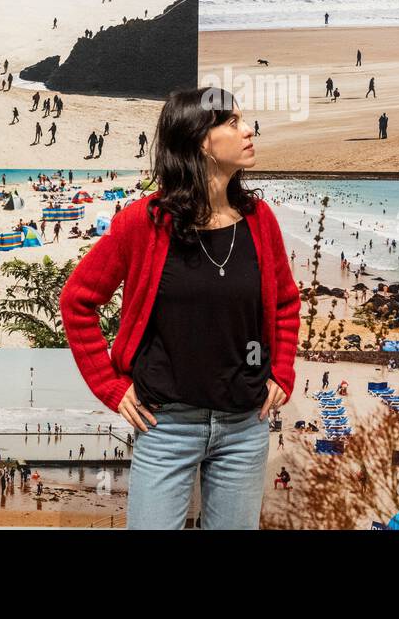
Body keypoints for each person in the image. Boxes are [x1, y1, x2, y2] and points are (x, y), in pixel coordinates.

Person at [60, 88, 298, 530]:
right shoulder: (142, 223)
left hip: (244, 428)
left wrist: (281, 373)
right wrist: (110, 387)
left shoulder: (259, 219)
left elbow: (285, 302)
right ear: (199, 139)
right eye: (232, 122)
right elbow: (77, 301)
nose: (248, 130)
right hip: (165, 426)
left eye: (244, 121)